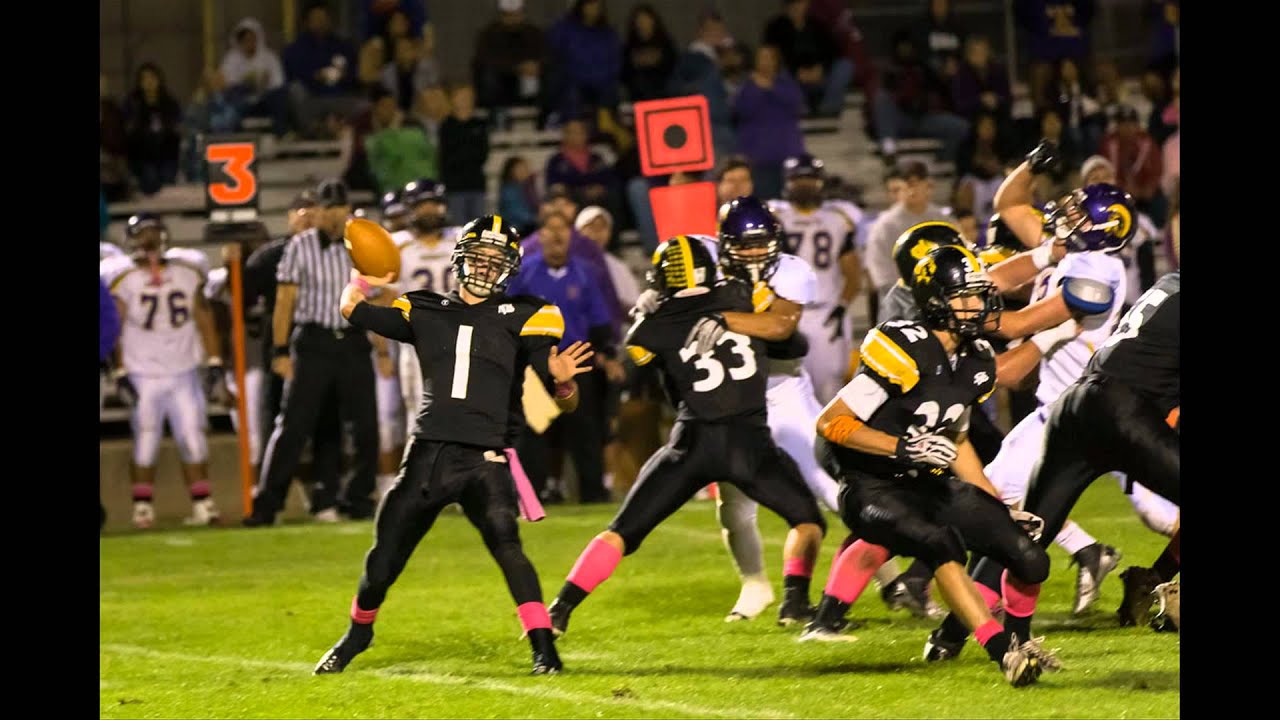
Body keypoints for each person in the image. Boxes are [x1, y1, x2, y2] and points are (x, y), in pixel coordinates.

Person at [313, 214, 594, 676]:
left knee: (509, 546)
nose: (485, 268)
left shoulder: (529, 314)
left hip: (485, 458)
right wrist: (360, 278)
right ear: (461, 259)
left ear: (510, 267)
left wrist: (564, 386)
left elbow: (566, 402)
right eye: (479, 258)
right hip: (426, 454)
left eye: (496, 260)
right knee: (384, 559)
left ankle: (545, 649)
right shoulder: (422, 308)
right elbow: (353, 310)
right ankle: (357, 633)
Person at [545, 232, 829, 637]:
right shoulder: (742, 298)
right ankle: (795, 602)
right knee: (807, 521)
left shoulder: (650, 329)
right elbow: (791, 343)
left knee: (622, 532)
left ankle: (561, 609)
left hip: (691, 444)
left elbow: (637, 363)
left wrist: (650, 319)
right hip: (749, 443)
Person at [801, 244, 1060, 687]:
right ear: (936, 301)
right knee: (940, 544)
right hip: (873, 484)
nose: (977, 305)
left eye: (979, 294)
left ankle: (1021, 641)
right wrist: (901, 447)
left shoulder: (976, 358)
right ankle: (1004, 655)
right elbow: (832, 422)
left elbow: (957, 439)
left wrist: (998, 506)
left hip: (928, 482)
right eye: (965, 296)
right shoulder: (904, 347)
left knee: (1030, 559)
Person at [245, 179, 379, 526]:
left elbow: (379, 294)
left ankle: (359, 498)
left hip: (352, 339)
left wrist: (381, 348)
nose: (332, 215)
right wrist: (280, 348)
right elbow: (285, 302)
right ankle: (267, 504)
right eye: (326, 208)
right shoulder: (300, 246)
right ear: (317, 211)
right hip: (313, 340)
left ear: (347, 209)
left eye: (338, 207)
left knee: (366, 425)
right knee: (292, 425)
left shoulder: (362, 243)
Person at [101, 215, 224, 528]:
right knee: (146, 439)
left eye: (154, 234)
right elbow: (115, 323)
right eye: (144, 235)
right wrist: (120, 370)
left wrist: (214, 360)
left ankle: (203, 504)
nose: (150, 241)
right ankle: (142, 507)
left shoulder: (187, 268)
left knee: (193, 436)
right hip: (143, 371)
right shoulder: (121, 275)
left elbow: (203, 314)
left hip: (183, 369)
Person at [507, 211, 619, 504]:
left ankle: (592, 491)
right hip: (535, 363)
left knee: (584, 429)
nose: (557, 236)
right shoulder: (524, 273)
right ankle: (534, 493)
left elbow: (599, 320)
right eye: (551, 229)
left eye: (562, 230)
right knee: (534, 430)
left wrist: (606, 353)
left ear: (570, 236)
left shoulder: (585, 272)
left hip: (575, 362)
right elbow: (507, 316)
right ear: (540, 236)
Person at [768, 154, 862, 402]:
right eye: (799, 179)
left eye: (810, 179)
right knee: (785, 391)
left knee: (829, 391)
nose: (805, 185)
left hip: (825, 314)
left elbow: (853, 273)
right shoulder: (775, 218)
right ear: (787, 182)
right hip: (785, 311)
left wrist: (841, 306)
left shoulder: (837, 219)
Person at [392, 178, 461, 430]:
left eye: (434, 204)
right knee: (421, 412)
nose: (430, 211)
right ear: (410, 209)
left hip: (460, 336)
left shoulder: (461, 239)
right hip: (417, 340)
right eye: (422, 205)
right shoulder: (396, 245)